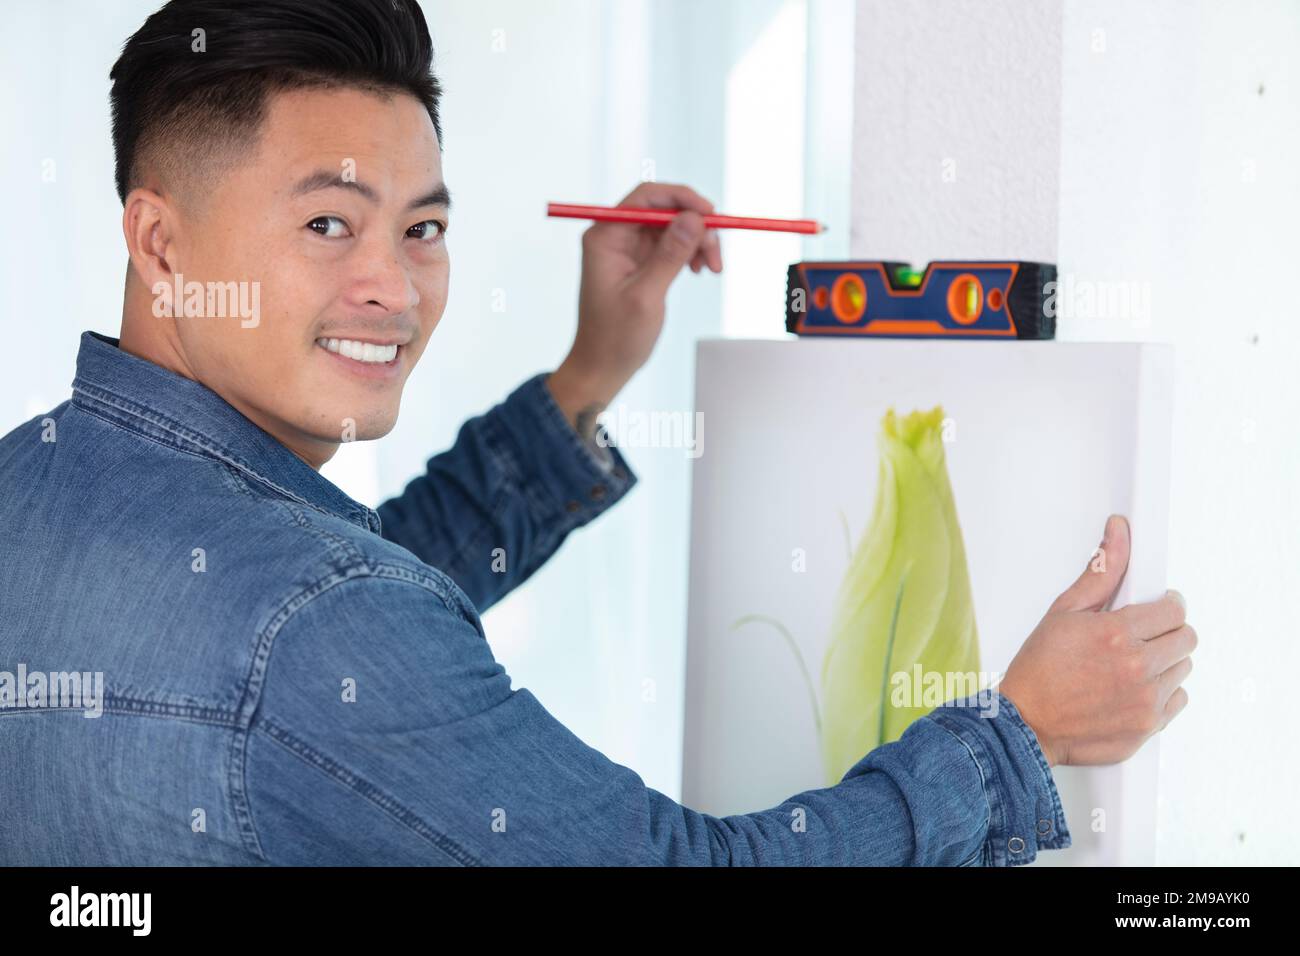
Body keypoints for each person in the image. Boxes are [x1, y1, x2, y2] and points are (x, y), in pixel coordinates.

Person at [0, 0, 1194, 866]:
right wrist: (1013, 738)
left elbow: (312, 653)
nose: (394, 288)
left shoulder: (30, 485)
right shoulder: (320, 620)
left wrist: (586, 377)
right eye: (328, 224)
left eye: (422, 229)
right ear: (161, 243)